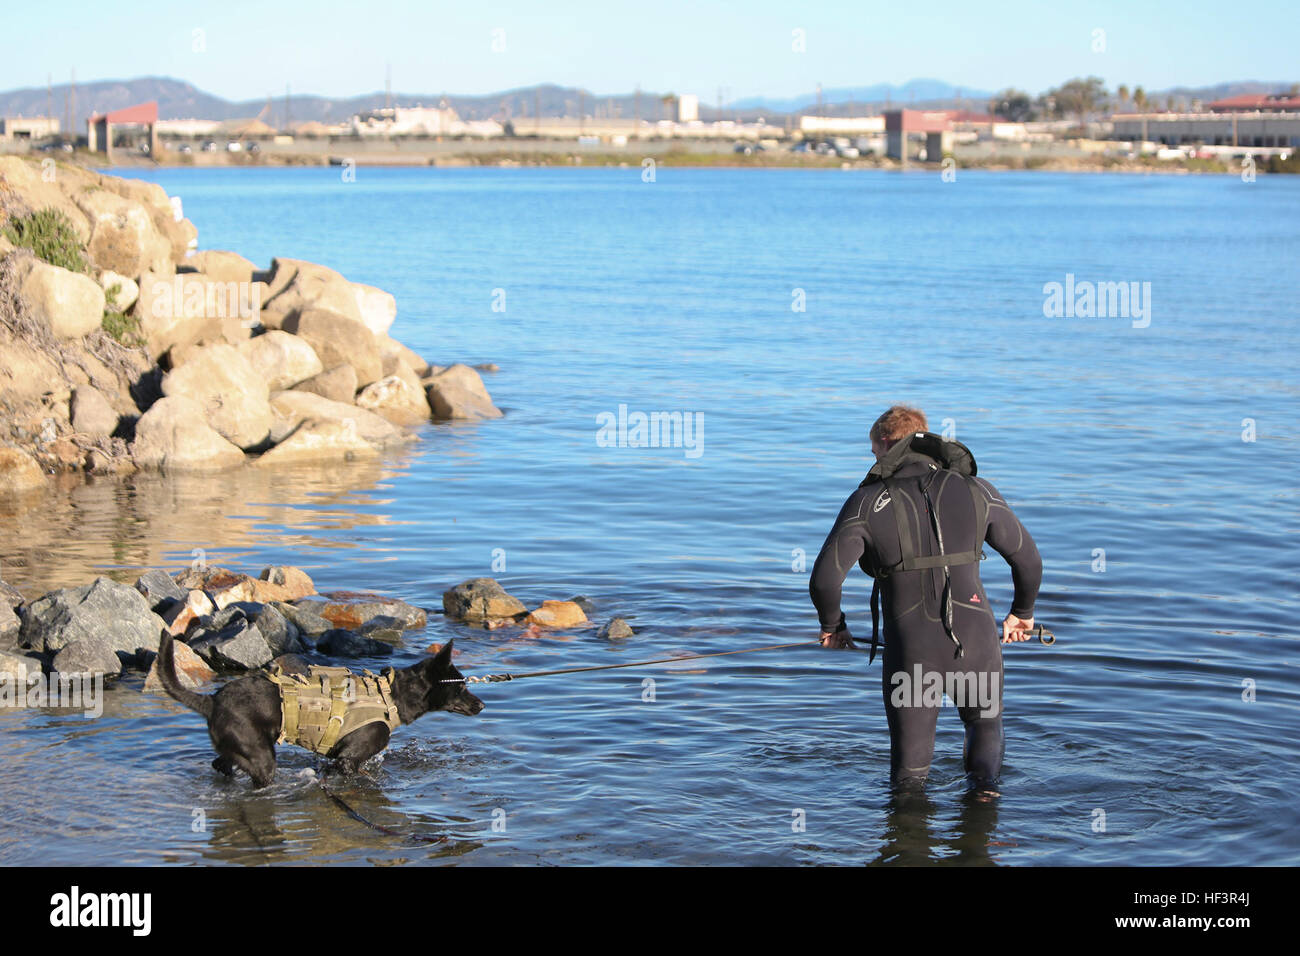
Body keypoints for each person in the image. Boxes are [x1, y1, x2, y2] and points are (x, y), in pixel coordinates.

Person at [809, 405, 1042, 795]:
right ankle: (982, 818)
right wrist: (1022, 613)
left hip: (911, 652)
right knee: (984, 732)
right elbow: (1028, 560)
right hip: (977, 644)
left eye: (873, 452)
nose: (874, 460)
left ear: (885, 444)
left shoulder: (867, 501)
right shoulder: (977, 490)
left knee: (910, 780)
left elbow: (824, 580)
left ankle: (906, 840)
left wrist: (833, 626)